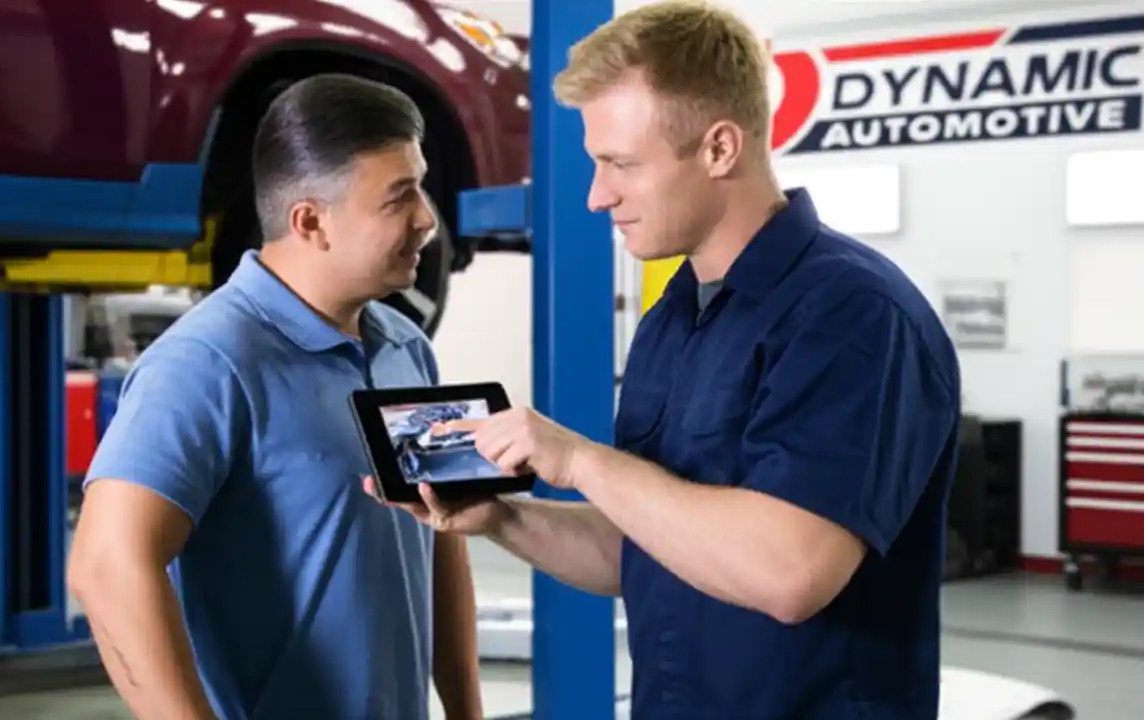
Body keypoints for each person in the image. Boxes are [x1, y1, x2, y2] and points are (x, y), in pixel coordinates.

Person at [367, 2, 961, 719]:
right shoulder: (676, 317)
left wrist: (579, 460)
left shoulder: (854, 316)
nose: (595, 195)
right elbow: (642, 547)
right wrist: (498, 518)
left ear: (718, 149)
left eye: (620, 164)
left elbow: (791, 572)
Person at [69, 74, 483, 720]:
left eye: (421, 186)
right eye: (399, 196)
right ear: (310, 221)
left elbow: (444, 532)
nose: (428, 218)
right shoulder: (206, 363)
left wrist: (465, 711)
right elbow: (107, 565)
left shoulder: (406, 346)